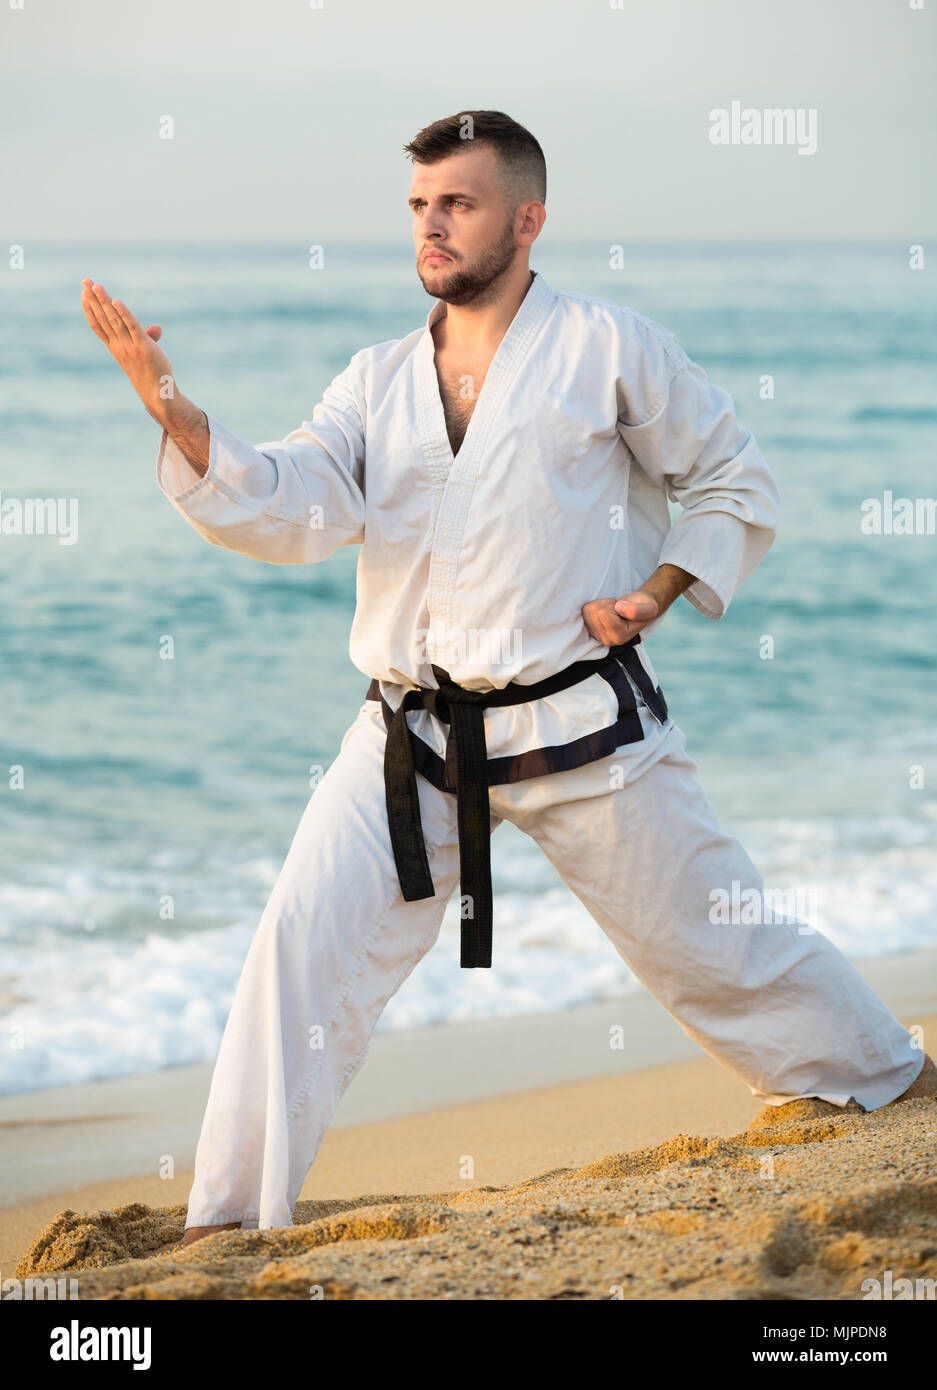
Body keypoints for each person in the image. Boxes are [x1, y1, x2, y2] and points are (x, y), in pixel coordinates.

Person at [80, 110, 935, 1246]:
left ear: (528, 219)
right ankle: (227, 1224)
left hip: (586, 732)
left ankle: (891, 1089)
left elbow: (731, 475)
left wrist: (660, 588)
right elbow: (297, 499)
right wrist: (179, 418)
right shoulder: (377, 379)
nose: (432, 226)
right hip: (411, 745)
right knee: (295, 955)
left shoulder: (611, 348)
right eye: (420, 206)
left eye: (459, 203)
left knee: (725, 950)